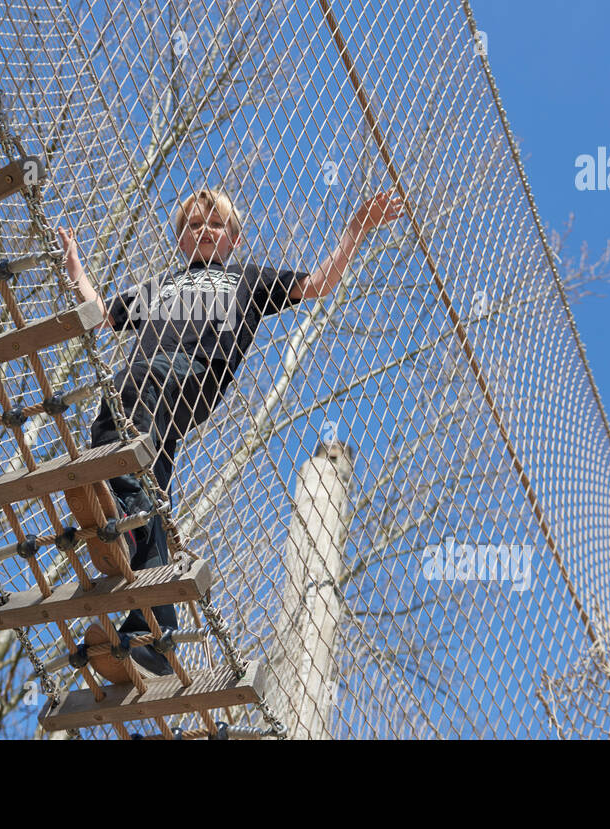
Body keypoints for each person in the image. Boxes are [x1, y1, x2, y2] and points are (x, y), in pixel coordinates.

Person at [55, 185, 403, 679]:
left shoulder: (247, 278)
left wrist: (355, 230)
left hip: (192, 375)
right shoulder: (159, 286)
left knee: (126, 396)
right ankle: (151, 631)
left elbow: (316, 284)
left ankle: (126, 522)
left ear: (233, 239)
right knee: (141, 474)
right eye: (194, 225)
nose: (204, 232)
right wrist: (77, 273)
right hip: (150, 401)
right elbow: (103, 317)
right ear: (180, 239)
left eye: (215, 225)